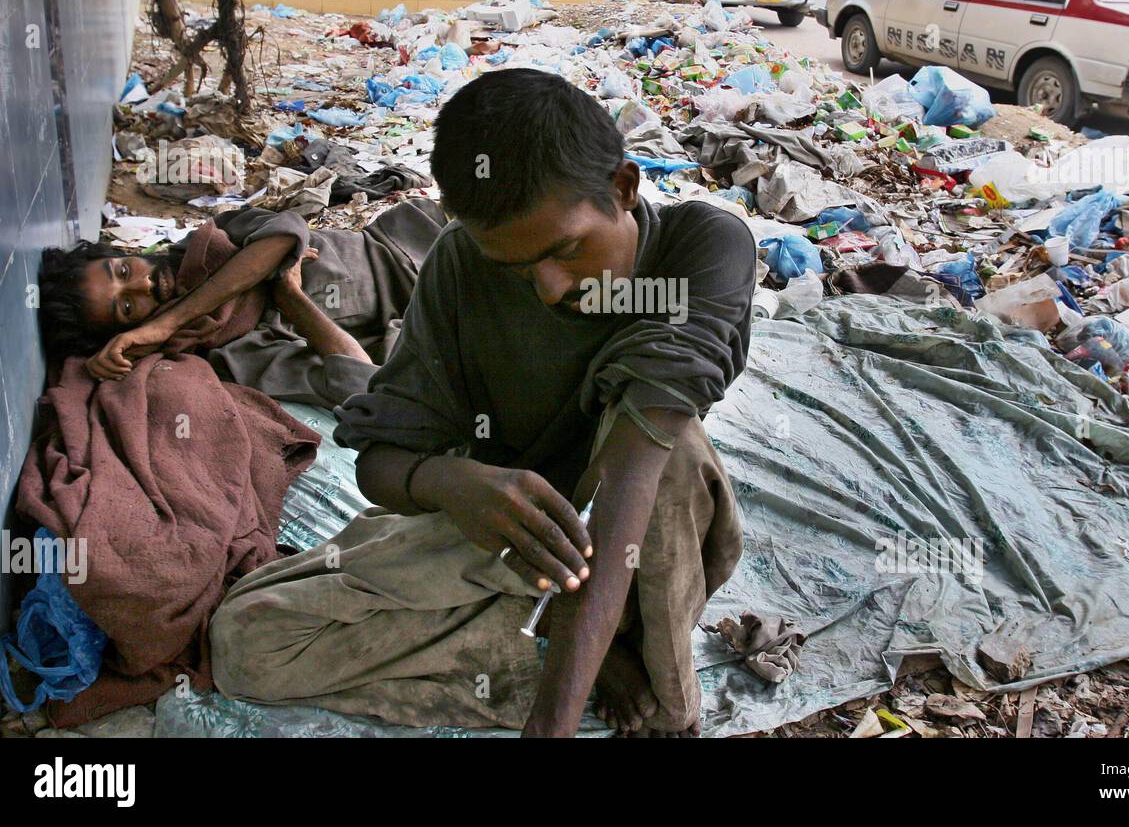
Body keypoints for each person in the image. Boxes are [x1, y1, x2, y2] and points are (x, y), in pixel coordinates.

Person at [207, 68, 757, 737]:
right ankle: (564, 641)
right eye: (518, 270)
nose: (551, 288)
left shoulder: (703, 246)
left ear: (622, 188)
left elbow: (632, 476)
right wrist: (449, 481)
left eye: (566, 251)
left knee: (671, 453)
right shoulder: (458, 263)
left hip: (642, 549)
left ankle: (660, 696)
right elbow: (381, 460)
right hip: (509, 546)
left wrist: (550, 723)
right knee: (247, 641)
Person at [38, 197, 447, 408]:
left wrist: (168, 320)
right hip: (435, 313)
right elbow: (360, 382)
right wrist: (292, 298)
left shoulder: (213, 242)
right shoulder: (233, 352)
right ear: (128, 333)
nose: (145, 284)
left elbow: (286, 233)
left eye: (124, 271)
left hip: (419, 239)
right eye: (128, 308)